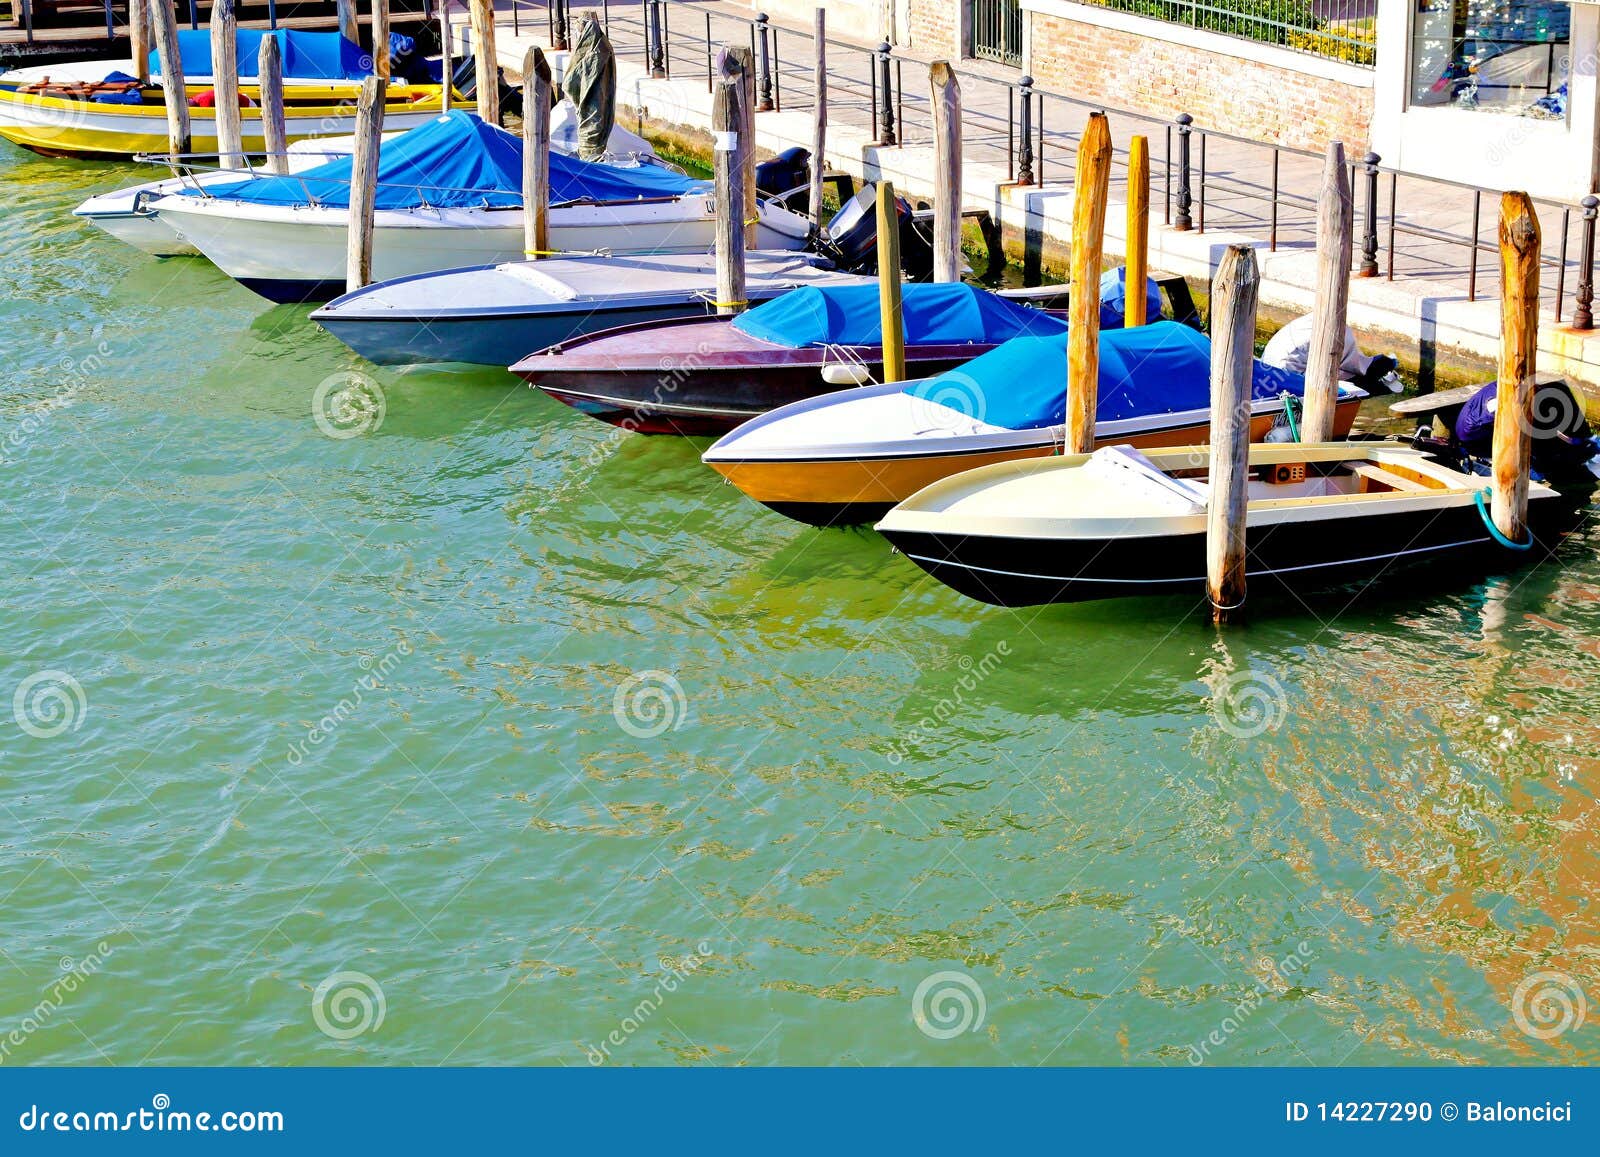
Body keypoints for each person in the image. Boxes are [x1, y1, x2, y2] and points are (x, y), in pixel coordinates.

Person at [1261, 313, 1398, 393]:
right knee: (1352, 376)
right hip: (1289, 373)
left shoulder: (1307, 326)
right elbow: (1352, 365)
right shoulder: (1334, 333)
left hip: (1269, 367)